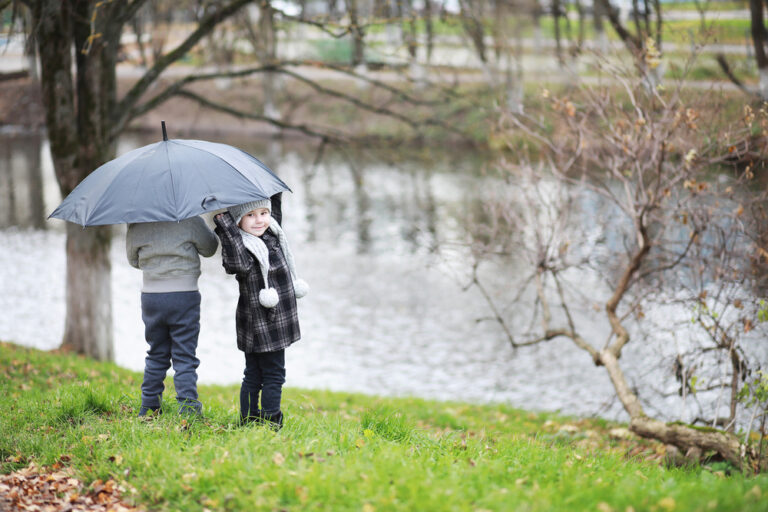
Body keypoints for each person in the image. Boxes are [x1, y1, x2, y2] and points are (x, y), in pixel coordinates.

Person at [214, 197, 308, 429]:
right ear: (237, 221)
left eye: (263, 213)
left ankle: (249, 420)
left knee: (255, 373)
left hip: (273, 321)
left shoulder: (273, 234)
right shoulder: (241, 247)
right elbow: (237, 264)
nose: (259, 220)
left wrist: (273, 197)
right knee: (271, 375)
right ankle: (270, 422)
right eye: (250, 215)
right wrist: (226, 226)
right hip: (263, 323)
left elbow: (274, 215)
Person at [126, 217, 219, 416]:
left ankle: (149, 406)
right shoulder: (190, 219)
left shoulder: (137, 222)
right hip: (184, 295)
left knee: (156, 352)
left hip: (151, 296)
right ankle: (188, 409)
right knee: (184, 355)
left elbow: (134, 260)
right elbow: (210, 248)